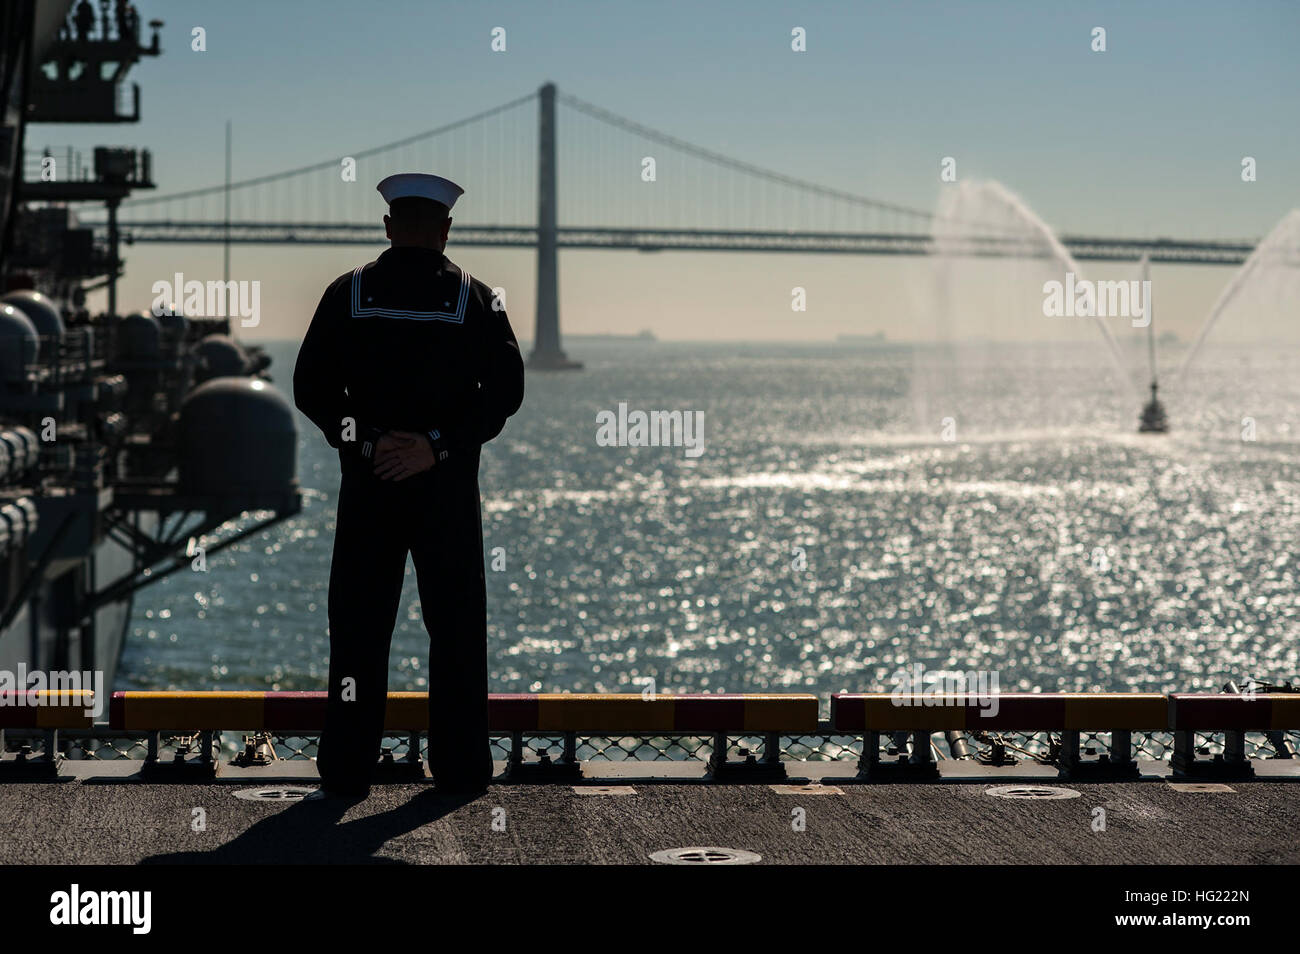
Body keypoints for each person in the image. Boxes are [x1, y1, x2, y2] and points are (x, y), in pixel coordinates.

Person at [293, 173, 524, 799]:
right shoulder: (479, 299)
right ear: (446, 229)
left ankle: (345, 770)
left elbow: (310, 388)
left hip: (368, 488)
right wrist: (437, 445)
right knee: (455, 629)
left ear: (389, 225)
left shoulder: (347, 293)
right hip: (446, 493)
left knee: (360, 628)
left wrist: (366, 440)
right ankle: (462, 769)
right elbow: (506, 394)